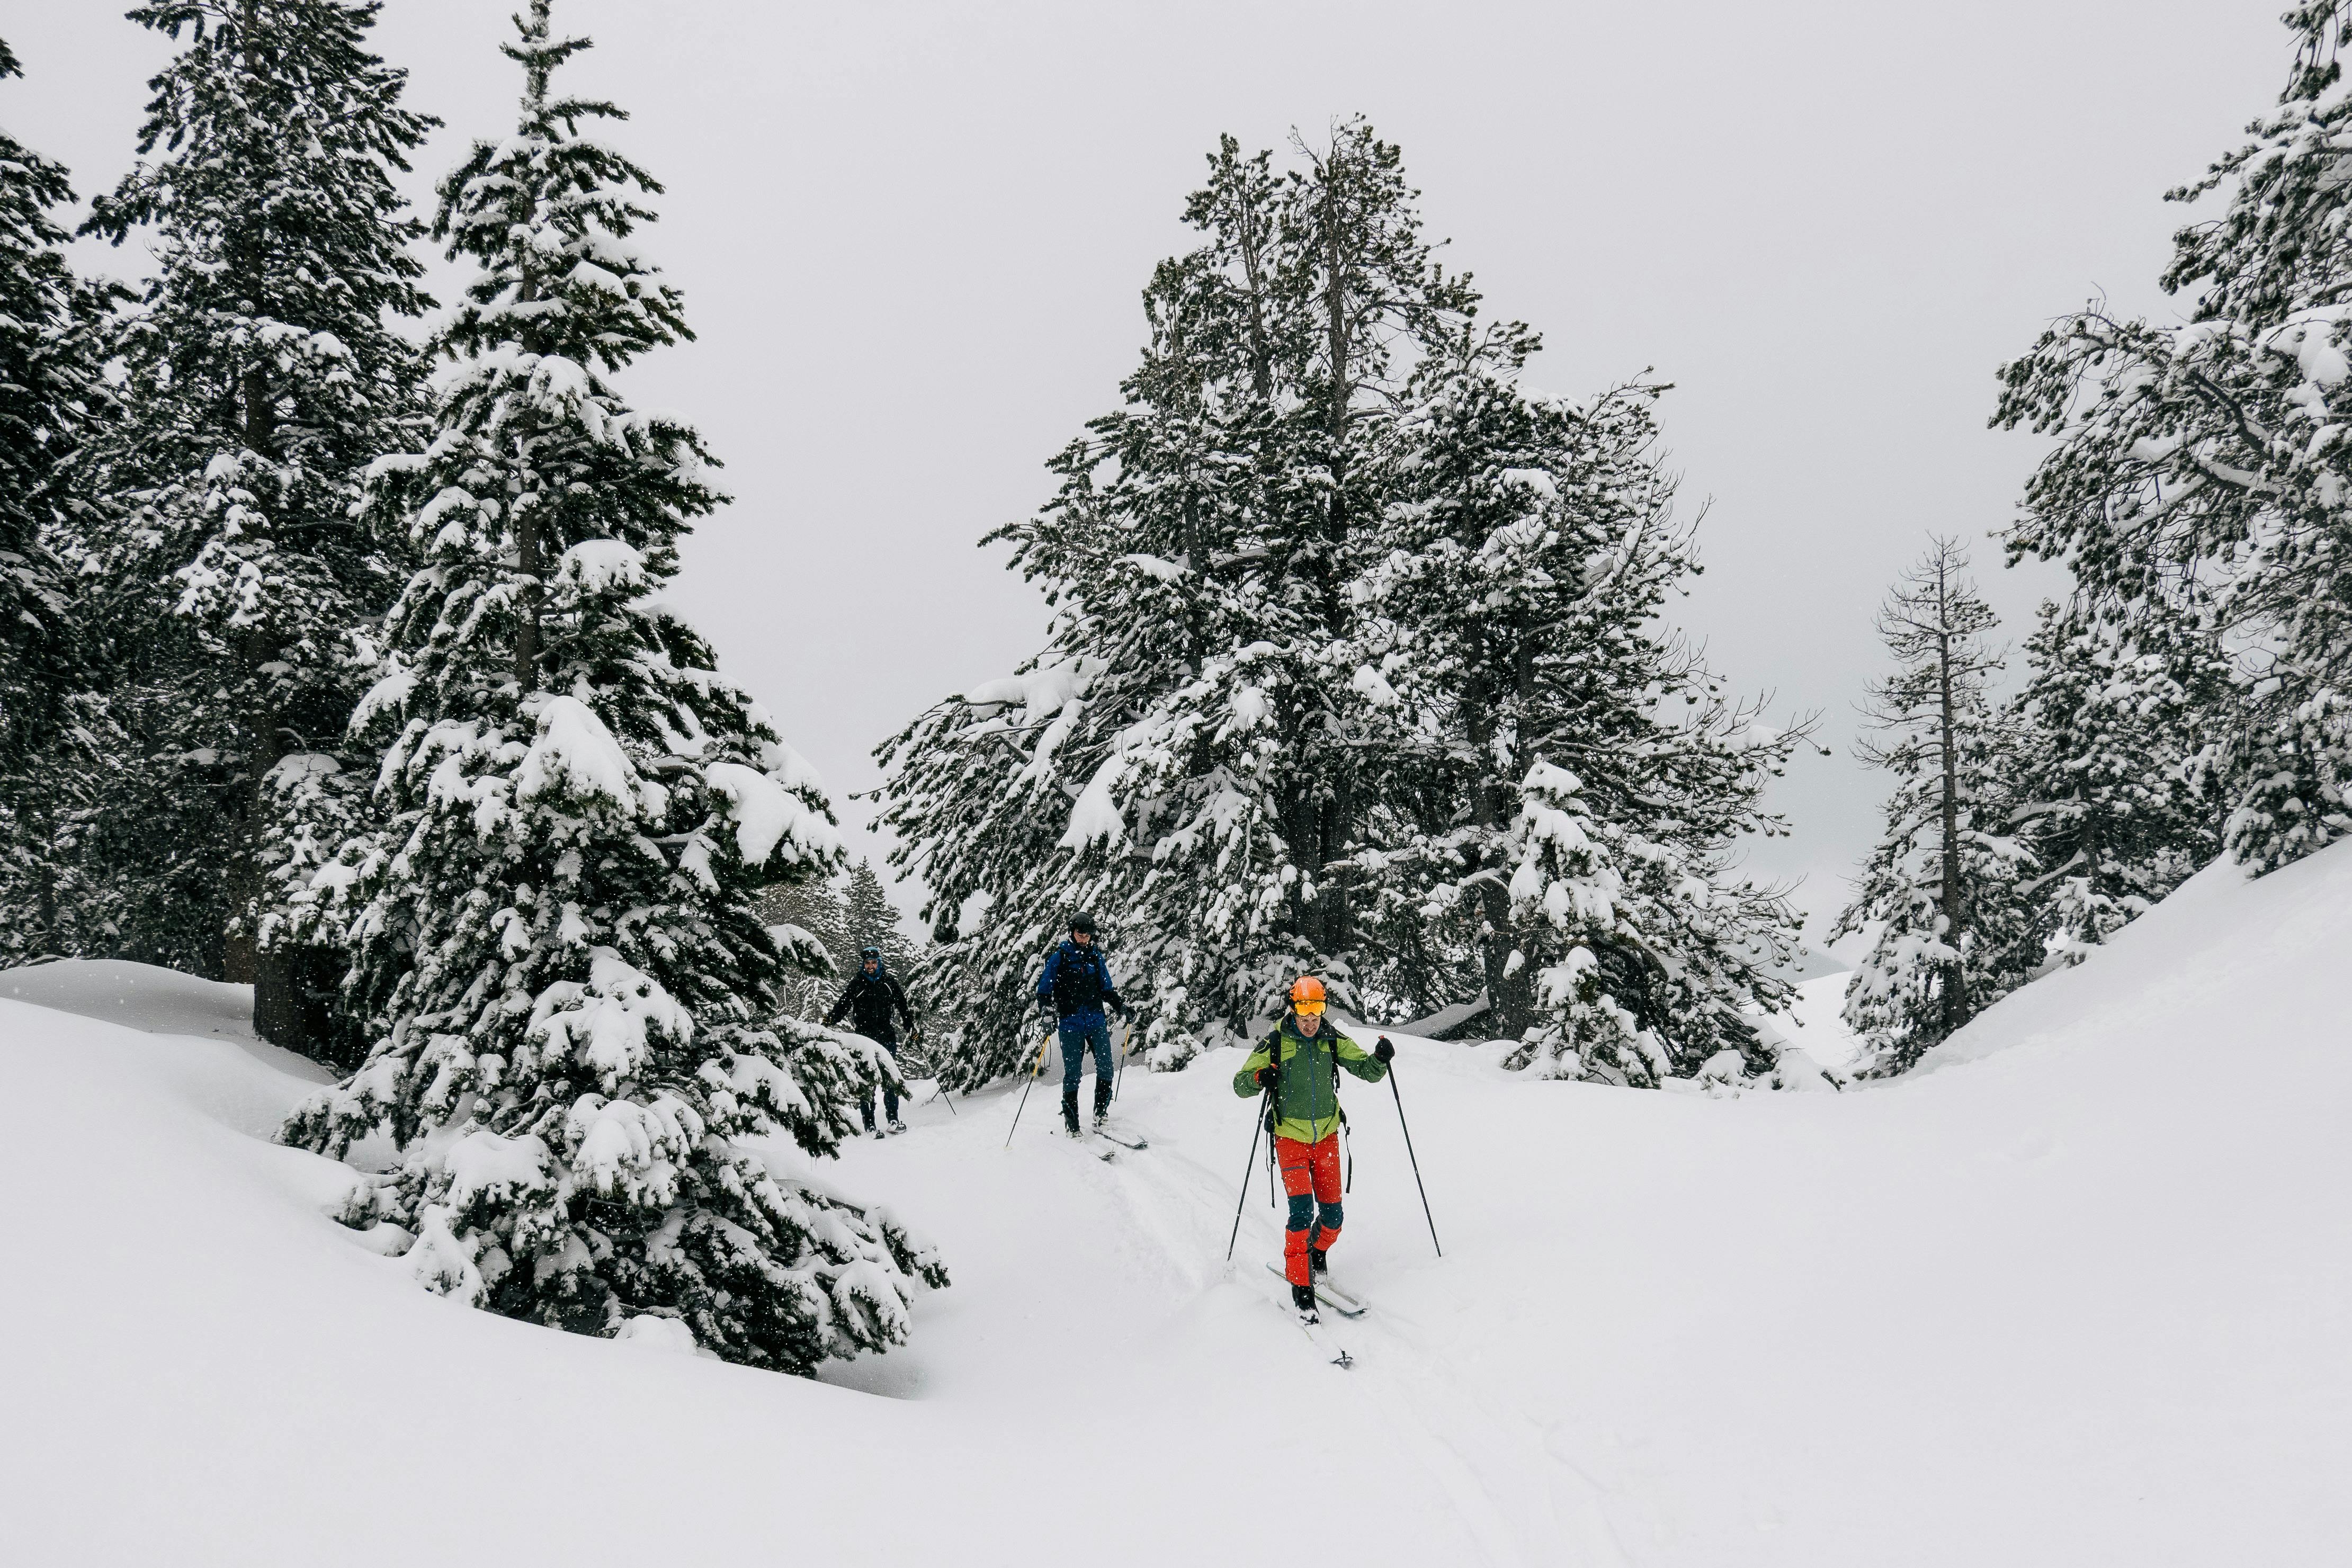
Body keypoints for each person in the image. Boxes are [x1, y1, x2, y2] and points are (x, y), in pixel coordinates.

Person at [1231, 975, 1393, 1320]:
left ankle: (1316, 1251)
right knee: (1301, 1212)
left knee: (1333, 1218)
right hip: (1289, 1137)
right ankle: (1301, 1288)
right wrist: (1261, 1078)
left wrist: (1379, 1059)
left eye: (1316, 1010)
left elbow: (1367, 1070)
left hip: (1327, 1139)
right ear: (1292, 1008)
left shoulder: (1330, 1038)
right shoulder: (1276, 1041)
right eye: (1303, 1010)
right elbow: (1240, 1084)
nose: (1310, 1019)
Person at [1035, 911, 1128, 1135]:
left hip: (1096, 1020)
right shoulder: (1061, 958)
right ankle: (1072, 1123)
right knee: (1073, 1075)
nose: (1084, 939)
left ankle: (1100, 1113)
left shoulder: (1096, 957)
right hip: (1071, 1024)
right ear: (1072, 933)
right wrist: (1047, 1012)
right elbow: (1044, 991)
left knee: (1106, 1067)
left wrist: (1122, 1007)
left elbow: (1107, 989)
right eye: (1080, 934)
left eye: (1088, 935)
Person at [827, 945, 917, 1137]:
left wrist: (911, 1028)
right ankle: (869, 1124)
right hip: (864, 1040)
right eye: (868, 963)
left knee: (890, 1080)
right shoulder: (857, 984)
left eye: (874, 963)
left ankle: (893, 1120)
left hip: (886, 1038)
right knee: (867, 1082)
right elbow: (843, 1005)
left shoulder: (889, 983)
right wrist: (829, 1020)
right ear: (864, 965)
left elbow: (903, 1006)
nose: (871, 966)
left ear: (879, 963)